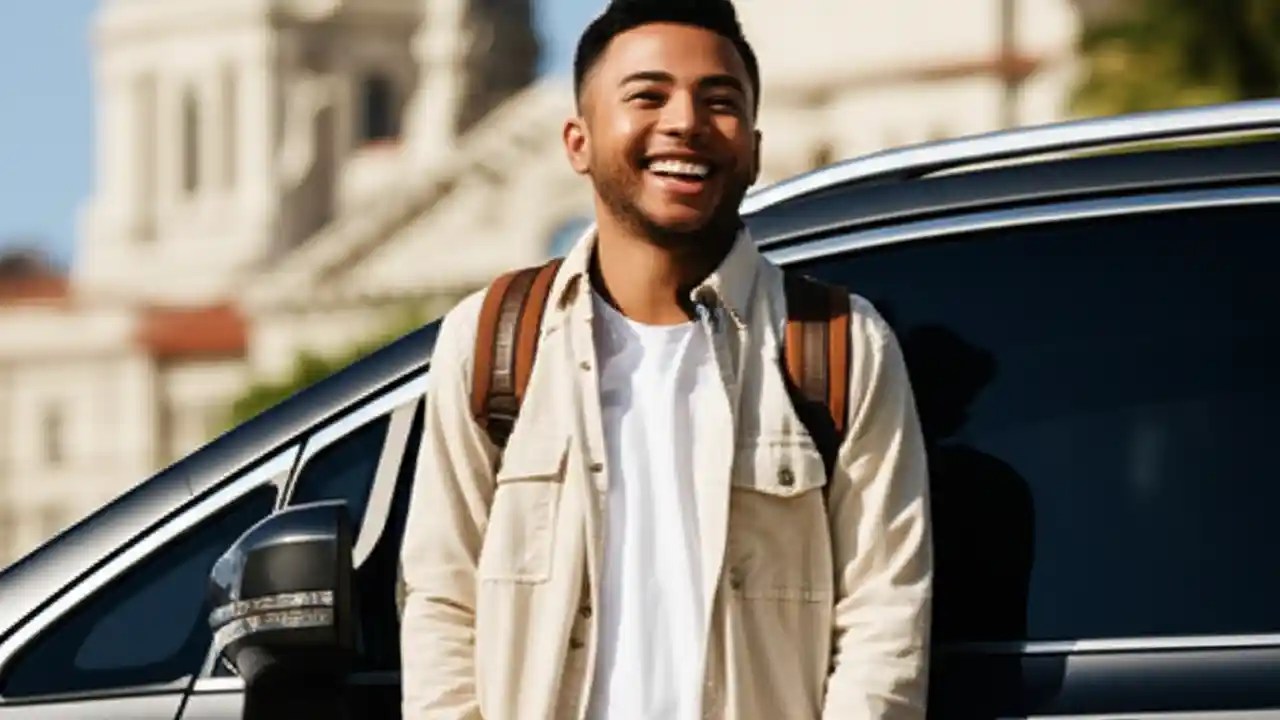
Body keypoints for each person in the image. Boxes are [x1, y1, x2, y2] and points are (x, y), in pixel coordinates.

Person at [399, 0, 933, 717]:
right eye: (647, 95)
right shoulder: (494, 341)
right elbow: (441, 599)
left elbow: (885, 621)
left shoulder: (838, 344)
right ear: (577, 141)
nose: (685, 121)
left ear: (752, 147)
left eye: (719, 102)